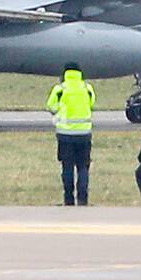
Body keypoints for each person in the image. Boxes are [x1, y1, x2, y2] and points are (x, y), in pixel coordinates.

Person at [46, 65, 96, 206]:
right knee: (83, 167)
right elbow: (92, 104)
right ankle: (83, 198)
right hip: (84, 134)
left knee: (67, 167)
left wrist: (60, 112)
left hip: (65, 134)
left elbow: (51, 106)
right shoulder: (87, 88)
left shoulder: (60, 89)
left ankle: (68, 199)